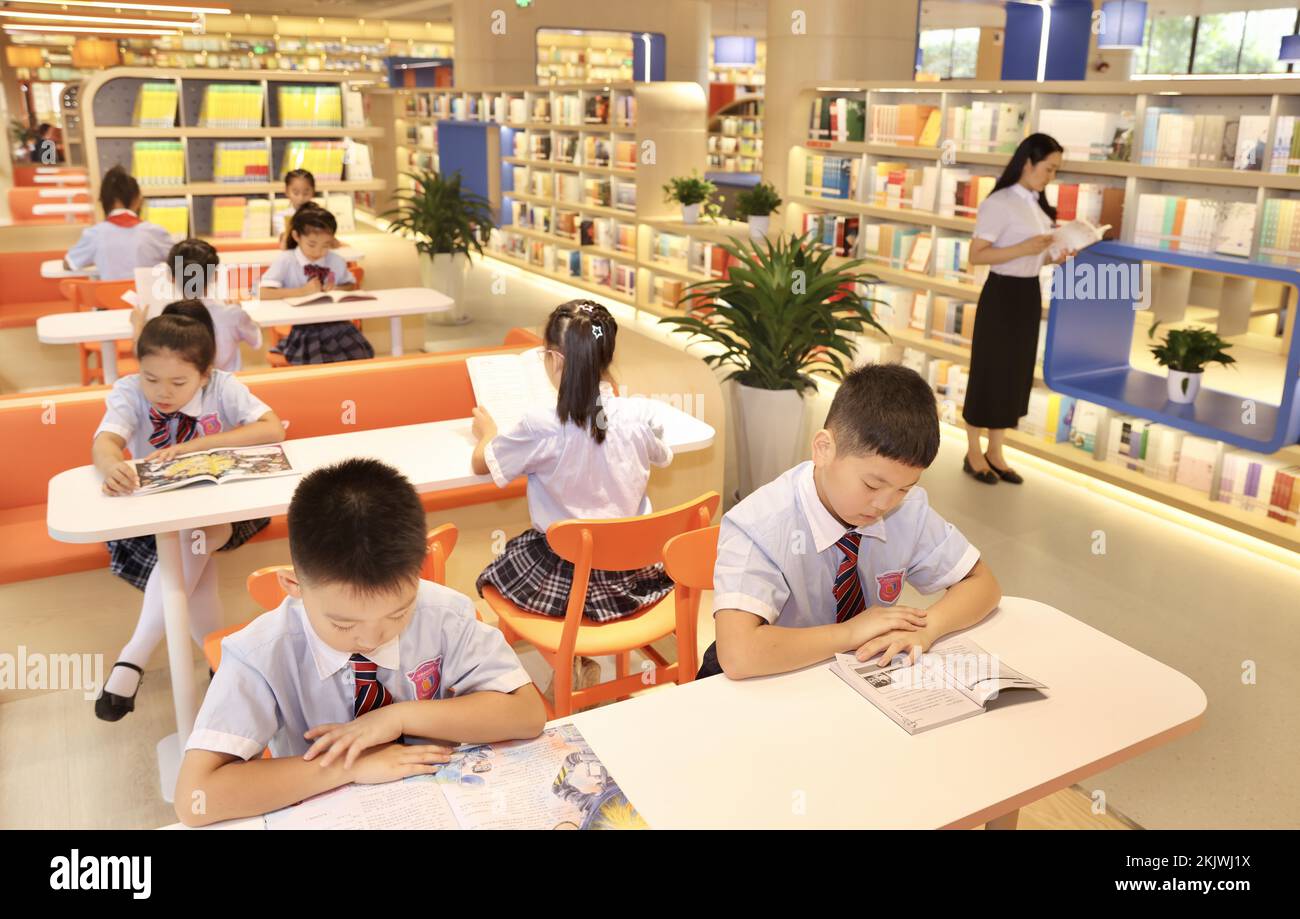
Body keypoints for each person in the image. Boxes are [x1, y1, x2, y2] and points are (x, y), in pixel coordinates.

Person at [173, 458, 546, 827]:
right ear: (293, 587)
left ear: (416, 576)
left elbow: (527, 714)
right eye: (343, 623)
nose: (370, 638)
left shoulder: (443, 612)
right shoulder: (261, 652)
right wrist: (350, 765)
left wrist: (398, 717)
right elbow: (195, 800)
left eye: (397, 614)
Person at [700, 363, 1001, 679]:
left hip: (848, 679)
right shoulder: (761, 523)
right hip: (766, 679)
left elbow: (983, 585)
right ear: (824, 449)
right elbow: (739, 654)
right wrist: (852, 632)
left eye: (904, 488)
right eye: (872, 485)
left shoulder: (907, 510)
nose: (884, 504)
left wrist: (928, 629)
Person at [961, 133, 1074, 485]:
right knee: (989, 371)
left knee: (1015, 373)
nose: (1051, 176)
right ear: (1028, 162)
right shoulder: (1000, 202)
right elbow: (977, 255)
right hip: (1001, 293)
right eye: (1049, 168)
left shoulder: (1037, 203)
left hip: (1027, 293)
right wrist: (1026, 248)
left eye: (1056, 170)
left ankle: (997, 451)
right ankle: (973, 452)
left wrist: (1055, 253)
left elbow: (1033, 252)